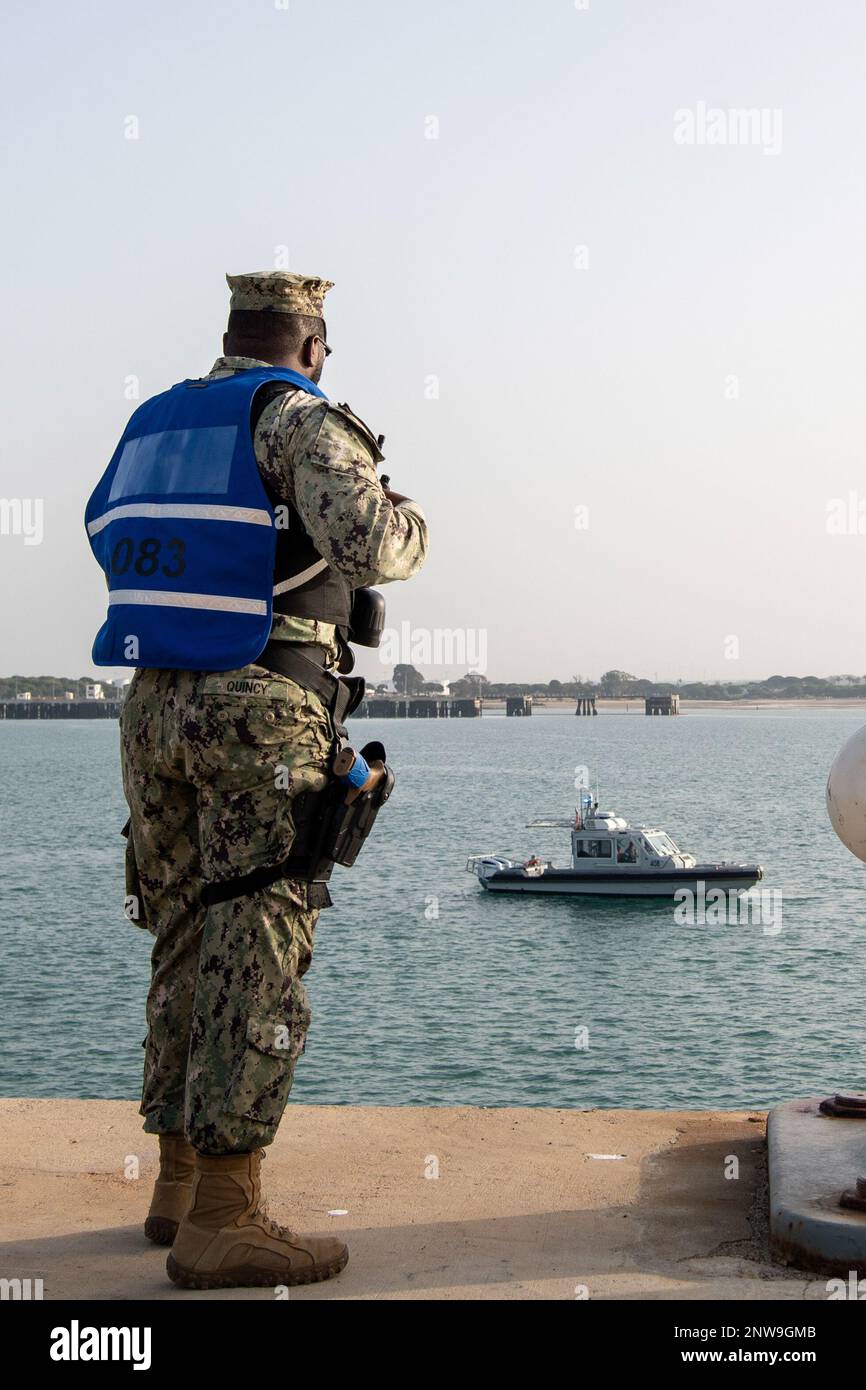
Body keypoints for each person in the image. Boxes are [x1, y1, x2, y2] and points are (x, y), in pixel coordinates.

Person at [85, 270, 428, 1288]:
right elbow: (370, 543)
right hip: (260, 702)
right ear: (310, 344)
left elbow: (107, 527)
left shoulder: (154, 423)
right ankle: (227, 1217)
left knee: (185, 931)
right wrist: (410, 524)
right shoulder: (294, 415)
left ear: (229, 332)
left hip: (154, 708)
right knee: (259, 944)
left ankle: (177, 1186)